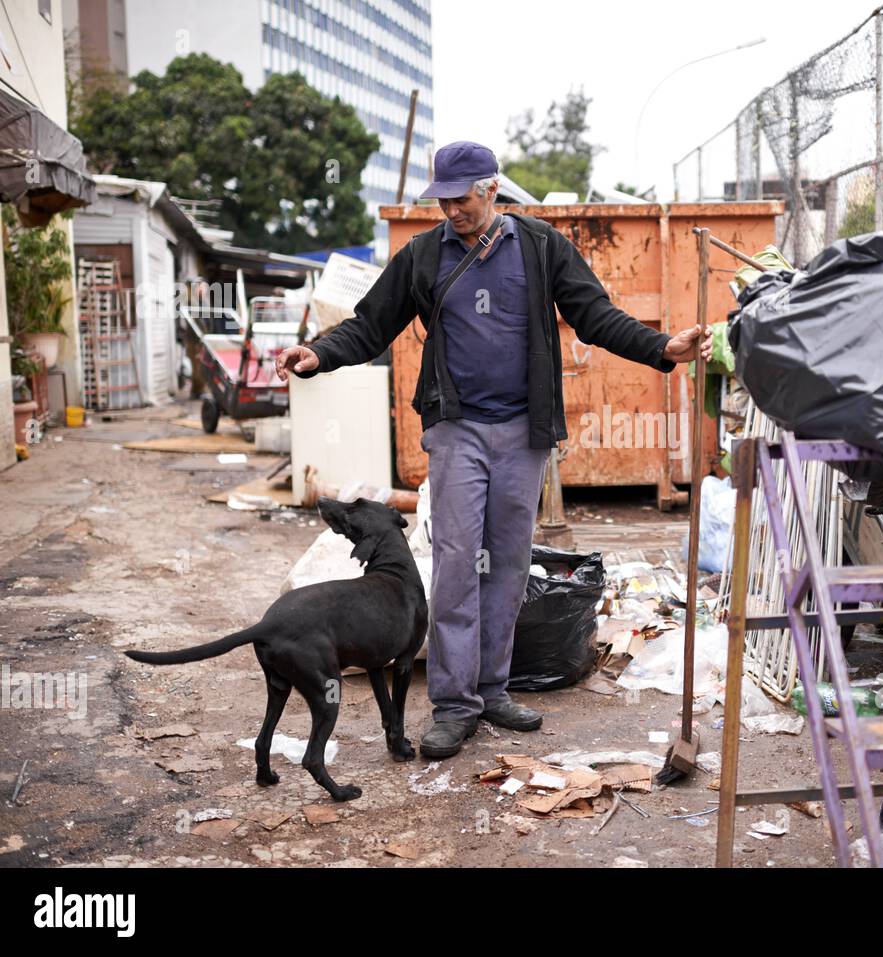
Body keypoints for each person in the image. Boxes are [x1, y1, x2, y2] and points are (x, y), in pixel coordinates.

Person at [275, 140, 708, 758]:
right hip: (456, 430)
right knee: (456, 564)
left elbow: (594, 315)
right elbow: (371, 323)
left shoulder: (539, 247)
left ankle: (493, 688)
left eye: (461, 199)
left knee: (506, 564)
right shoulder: (422, 255)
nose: (451, 211)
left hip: (522, 432)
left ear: (491, 189)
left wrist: (662, 348)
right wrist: (318, 354)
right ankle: (454, 706)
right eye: (443, 201)